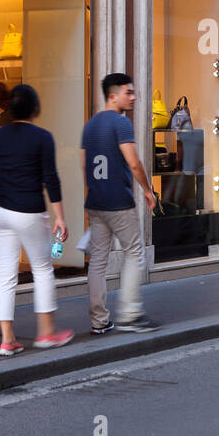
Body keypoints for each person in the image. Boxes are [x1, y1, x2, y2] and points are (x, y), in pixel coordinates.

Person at [0, 84, 73, 355]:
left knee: (5, 275)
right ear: (35, 108)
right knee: (41, 269)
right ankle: (47, 333)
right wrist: (60, 217)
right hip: (28, 210)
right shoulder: (42, 137)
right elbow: (51, 178)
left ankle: (7, 340)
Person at [82, 73, 158, 334]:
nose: (133, 97)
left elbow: (84, 164)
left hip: (95, 201)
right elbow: (134, 162)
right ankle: (131, 314)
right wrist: (148, 191)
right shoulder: (121, 123)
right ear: (113, 96)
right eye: (129, 92)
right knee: (135, 254)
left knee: (98, 261)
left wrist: (95, 188)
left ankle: (99, 321)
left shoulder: (89, 125)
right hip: (119, 202)